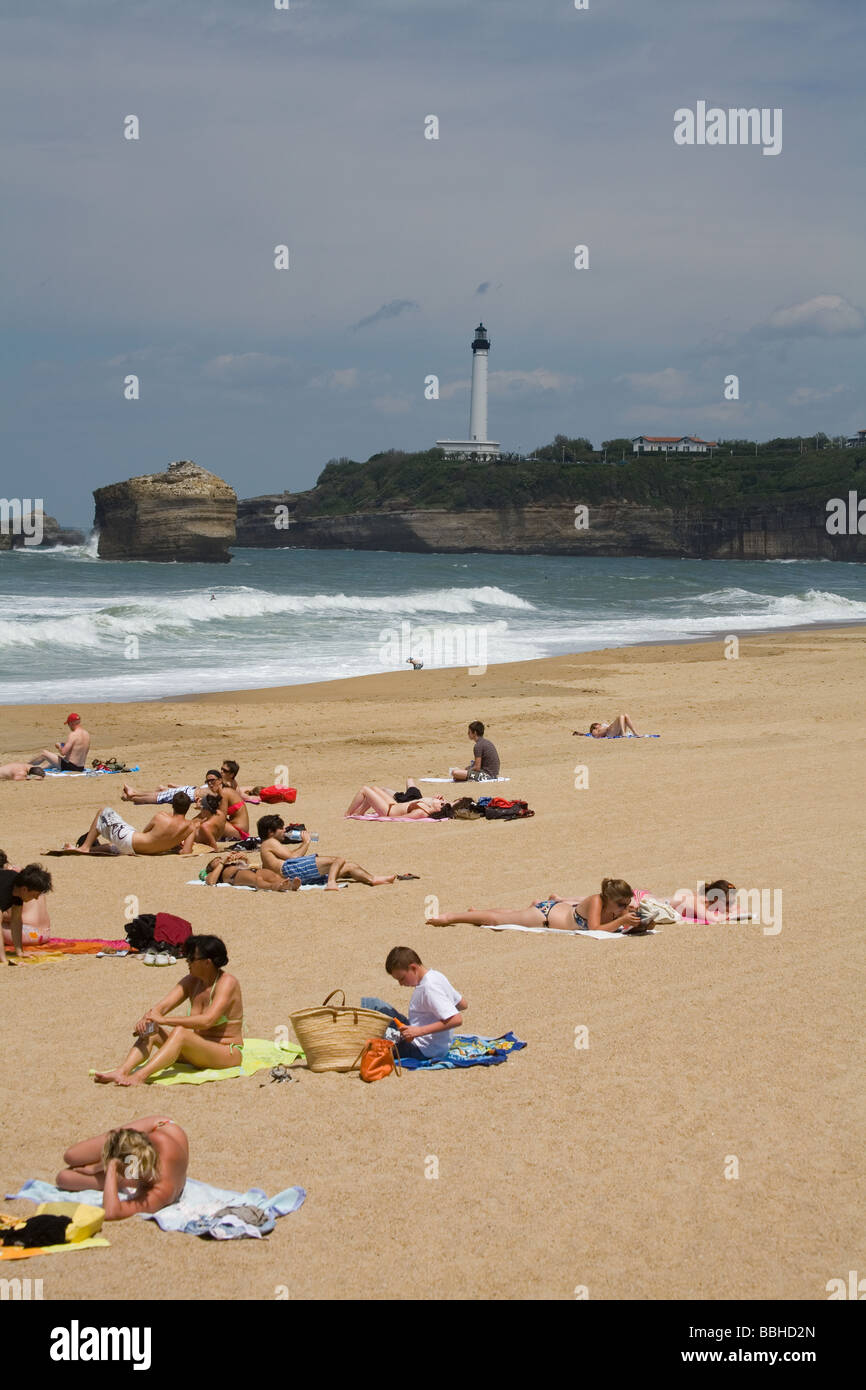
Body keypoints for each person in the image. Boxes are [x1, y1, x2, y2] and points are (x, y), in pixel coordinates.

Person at [93, 934, 244, 1086]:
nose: (187, 961)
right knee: (152, 1030)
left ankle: (140, 1076)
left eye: (191, 958)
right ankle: (122, 1070)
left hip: (226, 1053)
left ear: (207, 962)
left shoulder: (227, 983)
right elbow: (161, 1007)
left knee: (180, 1032)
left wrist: (165, 1020)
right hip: (197, 1051)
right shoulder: (192, 981)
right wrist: (147, 1019)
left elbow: (207, 1021)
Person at [56, 1117, 189, 1219]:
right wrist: (97, 1167)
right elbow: (134, 1144)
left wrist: (112, 1167)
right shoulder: (158, 1138)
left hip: (150, 1172)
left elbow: (111, 1212)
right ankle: (106, 1159)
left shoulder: (161, 1192)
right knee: (71, 1156)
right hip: (159, 1125)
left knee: (64, 1179)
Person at [426, 877, 644, 933]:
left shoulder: (619, 909)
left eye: (627, 903)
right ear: (609, 898)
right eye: (622, 904)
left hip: (553, 910)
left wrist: (643, 923)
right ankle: (451, 917)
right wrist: (623, 920)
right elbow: (596, 930)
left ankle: (476, 912)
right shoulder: (597, 901)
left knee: (512, 913)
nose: (625, 907)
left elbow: (628, 927)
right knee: (496, 922)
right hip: (545, 916)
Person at [362, 946, 467, 1061]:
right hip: (428, 1042)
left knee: (374, 1006)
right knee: (380, 1008)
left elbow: (456, 1019)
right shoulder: (437, 976)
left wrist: (419, 1031)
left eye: (402, 978)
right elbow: (462, 1004)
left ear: (413, 968)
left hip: (421, 1048)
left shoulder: (429, 988)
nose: (401, 984)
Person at [258, 814, 398, 889]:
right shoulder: (269, 842)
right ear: (271, 832)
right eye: (281, 828)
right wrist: (306, 842)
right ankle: (331, 883)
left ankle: (373, 879)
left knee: (349, 866)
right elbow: (292, 857)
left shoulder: (267, 846)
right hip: (289, 869)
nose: (284, 831)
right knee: (337, 860)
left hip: (292, 871)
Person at [65, 792, 194, 856]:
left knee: (103, 812)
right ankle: (89, 850)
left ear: (173, 805)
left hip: (131, 842)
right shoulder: (190, 827)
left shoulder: (161, 817)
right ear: (188, 807)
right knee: (115, 845)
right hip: (141, 850)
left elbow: (145, 833)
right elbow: (186, 852)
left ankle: (84, 847)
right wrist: (172, 843)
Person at [0, 861, 53, 963]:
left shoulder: (17, 889)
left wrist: (19, 952)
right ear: (24, 889)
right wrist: (3, 959)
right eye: (35, 894)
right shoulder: (4, 890)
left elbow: (16, 920)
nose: (37, 898)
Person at [203, 849, 300, 892]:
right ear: (211, 867)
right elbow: (211, 882)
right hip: (236, 875)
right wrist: (221, 863)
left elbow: (249, 866)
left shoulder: (231, 864)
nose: (218, 859)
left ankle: (290, 886)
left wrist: (245, 859)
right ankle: (273, 886)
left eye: (219, 858)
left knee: (273, 876)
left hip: (249, 870)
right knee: (257, 879)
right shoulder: (214, 872)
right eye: (215, 861)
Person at [121, 769, 222, 805]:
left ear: (219, 780)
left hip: (187, 795)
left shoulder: (216, 793)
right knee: (160, 795)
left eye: (212, 781)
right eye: (207, 781)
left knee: (158, 797)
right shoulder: (210, 788)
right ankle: (133, 794)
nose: (210, 783)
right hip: (188, 790)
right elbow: (197, 789)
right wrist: (177, 787)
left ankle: (132, 795)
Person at [345, 786, 450, 819]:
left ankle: (347, 814)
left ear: (439, 809)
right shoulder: (428, 806)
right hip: (393, 805)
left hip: (388, 811)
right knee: (374, 789)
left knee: (365, 790)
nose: (441, 801)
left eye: (442, 804)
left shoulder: (422, 813)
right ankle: (360, 813)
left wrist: (380, 817)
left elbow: (401, 818)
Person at [670, 879, 750, 922]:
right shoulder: (696, 902)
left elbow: (741, 910)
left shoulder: (716, 902)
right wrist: (729, 915)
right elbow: (712, 919)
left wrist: (735, 911)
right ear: (716, 899)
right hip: (664, 905)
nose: (729, 905)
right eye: (727, 902)